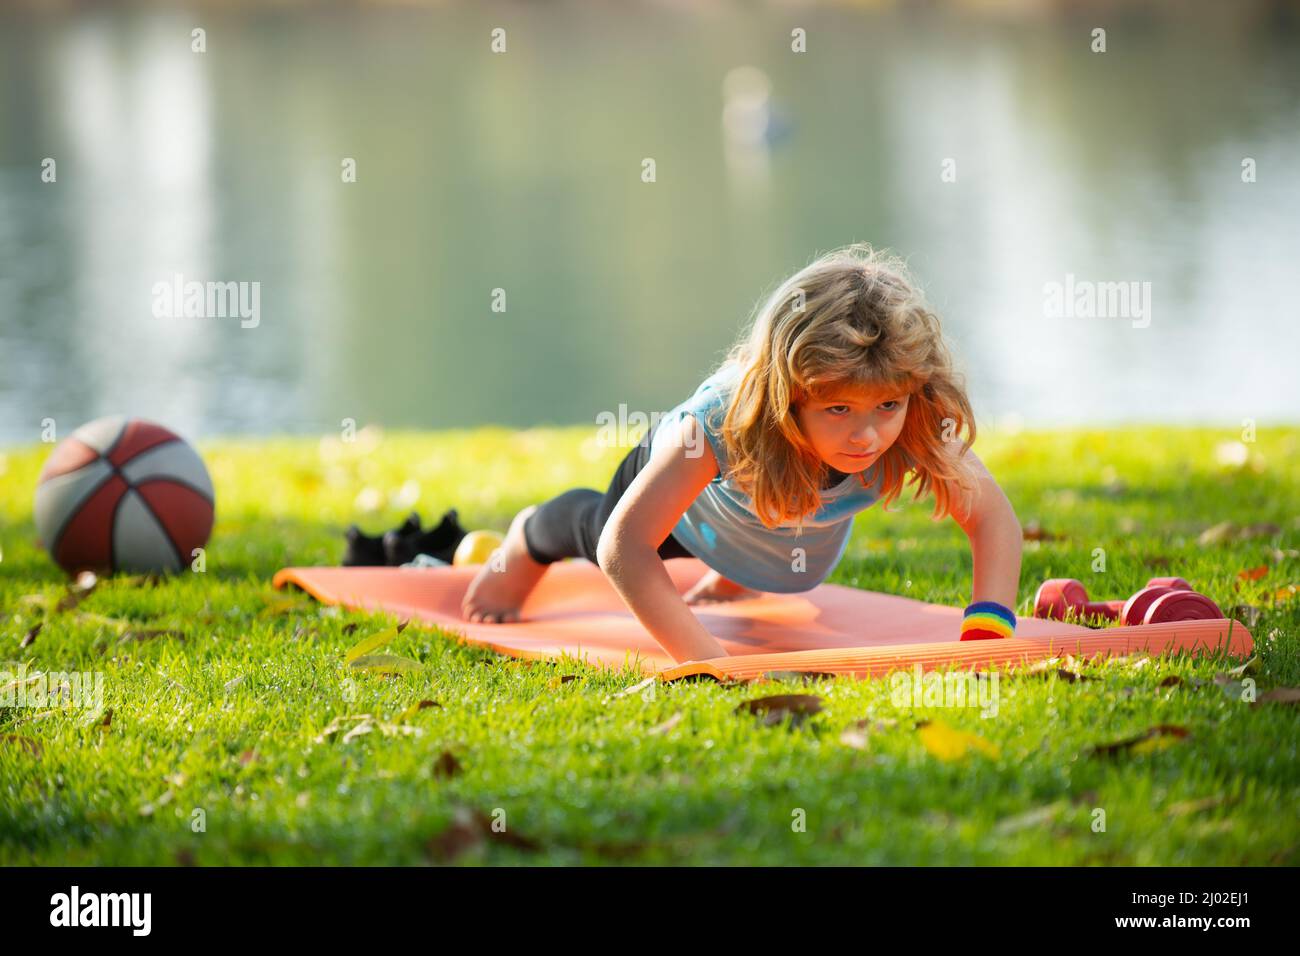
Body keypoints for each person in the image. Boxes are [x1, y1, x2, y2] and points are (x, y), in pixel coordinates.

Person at [461, 243, 1023, 664]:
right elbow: (624, 547)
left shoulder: (918, 421)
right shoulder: (717, 426)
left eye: (886, 406)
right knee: (591, 526)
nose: (867, 437)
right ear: (789, 398)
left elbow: (993, 520)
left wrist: (987, 632)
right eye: (837, 410)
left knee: (791, 571)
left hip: (784, 534)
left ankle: (732, 576)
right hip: (694, 512)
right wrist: (707, 662)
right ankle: (527, 537)